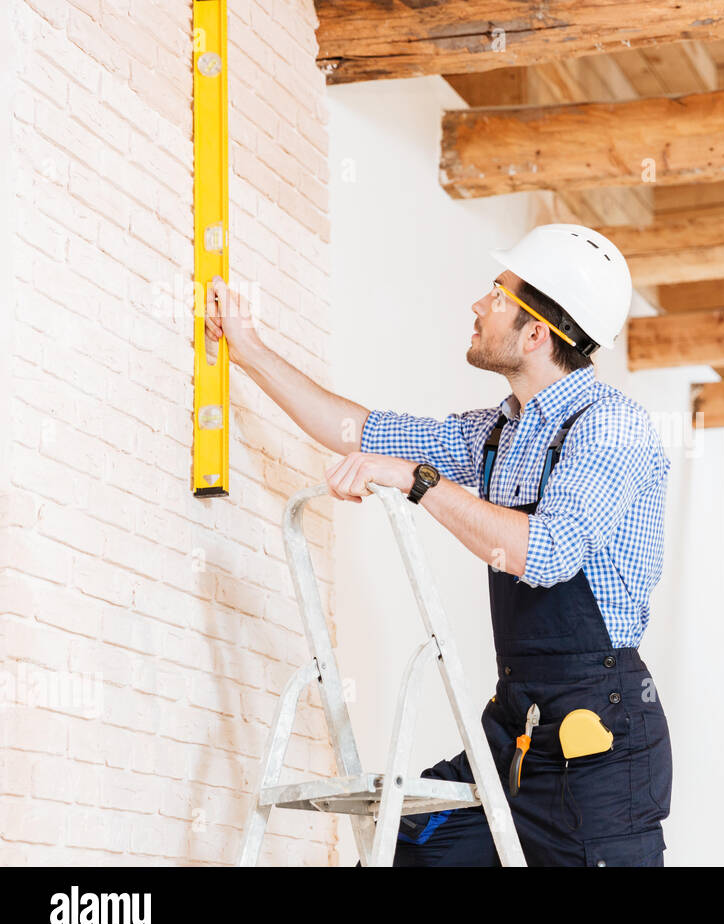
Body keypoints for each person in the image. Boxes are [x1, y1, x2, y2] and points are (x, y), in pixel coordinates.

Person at [207, 224, 673, 866]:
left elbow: (544, 554)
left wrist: (419, 482)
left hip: (599, 754)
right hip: (517, 729)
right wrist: (248, 349)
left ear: (536, 332)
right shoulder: (495, 436)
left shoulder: (609, 427)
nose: (479, 306)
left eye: (497, 293)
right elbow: (358, 431)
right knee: (410, 848)